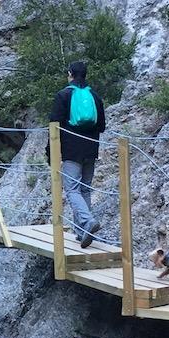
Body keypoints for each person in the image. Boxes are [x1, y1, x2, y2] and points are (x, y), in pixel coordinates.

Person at [49, 60, 106, 248]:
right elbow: (102, 126)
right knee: (85, 189)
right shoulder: (95, 97)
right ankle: (82, 232)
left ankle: (87, 222)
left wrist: (50, 152)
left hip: (71, 150)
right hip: (91, 148)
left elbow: (53, 126)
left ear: (70, 74)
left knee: (72, 189)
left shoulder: (63, 95)